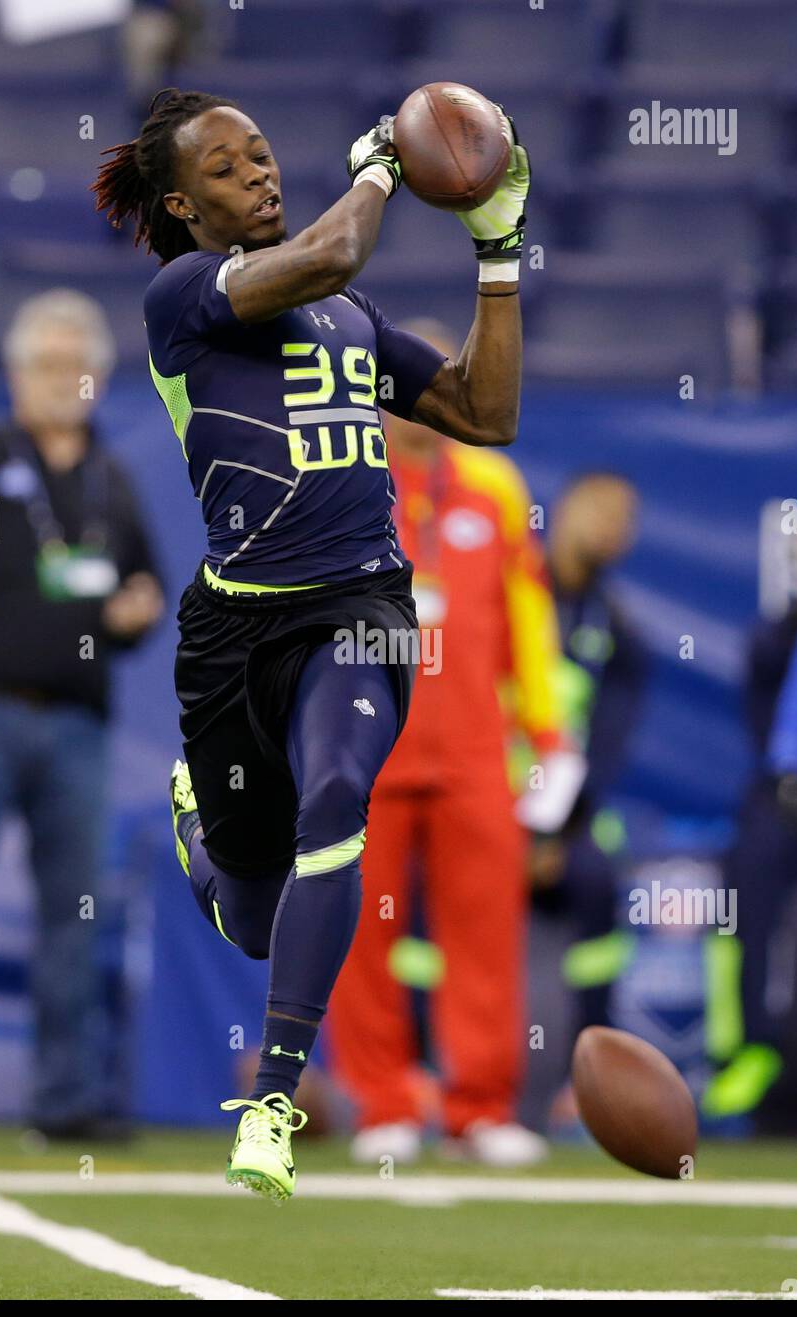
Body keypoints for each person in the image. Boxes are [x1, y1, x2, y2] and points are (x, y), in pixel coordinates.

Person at [92, 87, 530, 1199]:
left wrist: (496, 250)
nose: (263, 176)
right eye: (232, 170)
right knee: (250, 918)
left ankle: (273, 1102)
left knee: (339, 792)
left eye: (266, 154)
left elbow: (484, 414)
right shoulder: (184, 296)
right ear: (186, 205)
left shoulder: (351, 312)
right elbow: (330, 251)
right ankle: (206, 815)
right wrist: (387, 162)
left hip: (361, 608)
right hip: (239, 628)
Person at [328, 320, 565, 1166]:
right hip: (364, 750)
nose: (417, 399)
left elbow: (529, 620)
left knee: (485, 934)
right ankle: (384, 1101)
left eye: (433, 380)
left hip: (472, 749)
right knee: (358, 935)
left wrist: (551, 735)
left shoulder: (496, 486)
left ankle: (479, 1107)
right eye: (401, 381)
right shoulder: (341, 482)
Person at [0, 290, 164, 1138]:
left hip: (77, 727)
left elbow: (140, 587)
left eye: (78, 366)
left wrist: (136, 613)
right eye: (47, 363)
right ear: (14, 374)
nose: (63, 380)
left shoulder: (111, 481)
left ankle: (63, 1102)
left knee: (73, 918)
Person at [530, 472, 646, 1127]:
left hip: (567, 818)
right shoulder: (511, 595)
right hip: (483, 802)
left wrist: (556, 834)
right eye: (599, 510)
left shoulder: (620, 633)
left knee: (600, 880)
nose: (609, 528)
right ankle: (424, 1067)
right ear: (565, 509)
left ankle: (584, 1070)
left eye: (624, 519)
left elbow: (605, 748)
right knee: (420, 895)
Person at [704, 557, 797, 1120]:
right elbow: (776, 725)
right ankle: (745, 1050)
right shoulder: (783, 629)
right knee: (743, 886)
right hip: (794, 792)